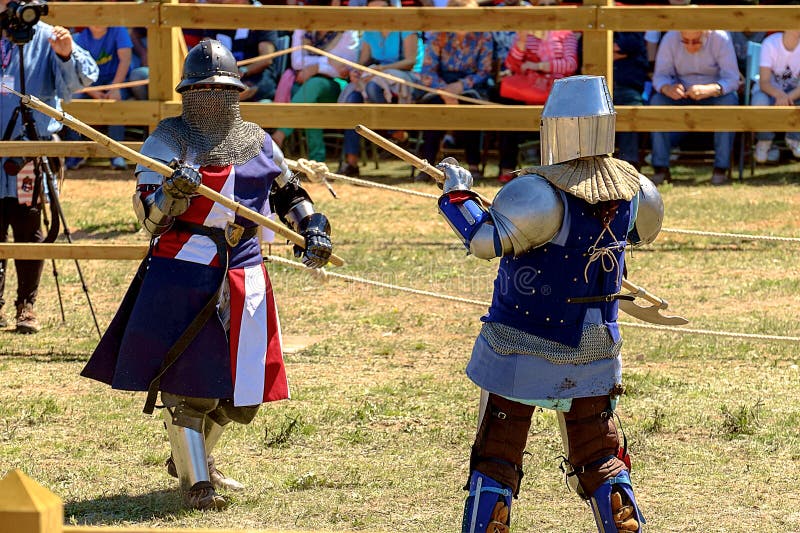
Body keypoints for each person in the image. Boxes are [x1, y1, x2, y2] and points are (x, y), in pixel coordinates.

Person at [80, 39, 334, 511]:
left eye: (222, 90)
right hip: (184, 270)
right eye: (204, 90)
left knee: (246, 387)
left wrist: (313, 228)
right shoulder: (167, 141)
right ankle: (197, 485)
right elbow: (152, 221)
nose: (214, 98)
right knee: (188, 378)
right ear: (188, 94)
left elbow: (290, 195)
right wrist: (174, 192)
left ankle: (193, 459)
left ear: (235, 92)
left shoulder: (256, 140)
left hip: (246, 274)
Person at [435, 76, 663, 533]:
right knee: (598, 451)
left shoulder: (537, 192)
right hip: (597, 339)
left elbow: (484, 242)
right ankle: (620, 518)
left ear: (553, 126)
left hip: (524, 339)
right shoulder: (638, 191)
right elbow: (637, 235)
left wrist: (457, 195)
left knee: (498, 451)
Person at [0, 0, 98, 332]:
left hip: (30, 150)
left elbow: (80, 80)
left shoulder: (46, 36)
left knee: (29, 227)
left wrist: (66, 53)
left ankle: (26, 305)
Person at [336, 0, 424, 177]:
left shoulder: (406, 27)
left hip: (407, 78)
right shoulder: (370, 32)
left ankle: (393, 131)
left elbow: (410, 61)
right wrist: (355, 72)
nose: (378, 15)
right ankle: (351, 163)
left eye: (382, 10)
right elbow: (363, 63)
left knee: (374, 87)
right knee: (353, 97)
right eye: (372, 11)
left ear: (391, 9)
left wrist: (381, 70)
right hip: (377, 78)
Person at [496, 2, 579, 182]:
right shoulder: (529, 36)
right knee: (508, 111)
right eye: (541, 5)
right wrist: (522, 41)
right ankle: (507, 166)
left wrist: (538, 66)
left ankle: (559, 169)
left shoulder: (566, 34)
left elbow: (570, 64)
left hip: (557, 89)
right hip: (529, 89)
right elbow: (512, 65)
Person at [648, 30, 740, 186]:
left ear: (707, 33)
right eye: (685, 41)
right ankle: (660, 167)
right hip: (680, 94)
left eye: (696, 41)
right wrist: (667, 88)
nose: (690, 46)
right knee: (657, 101)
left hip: (714, 94)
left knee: (729, 102)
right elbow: (659, 76)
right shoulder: (670, 38)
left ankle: (721, 168)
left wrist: (712, 89)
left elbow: (732, 79)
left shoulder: (721, 38)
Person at [417, 0, 493, 180]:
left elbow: (484, 71)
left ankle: (473, 164)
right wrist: (444, 90)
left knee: (470, 107)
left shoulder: (484, 36)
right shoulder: (438, 36)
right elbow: (427, 70)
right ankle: (426, 167)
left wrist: (460, 86)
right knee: (433, 106)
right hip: (442, 84)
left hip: (471, 85)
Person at [270, 28, 359, 163]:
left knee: (313, 85)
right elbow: (297, 63)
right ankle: (316, 161)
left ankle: (280, 135)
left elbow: (344, 68)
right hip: (305, 86)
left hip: (337, 87)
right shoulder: (303, 30)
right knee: (310, 97)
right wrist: (327, 62)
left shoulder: (346, 31)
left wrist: (316, 68)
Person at [65, 25, 133, 170]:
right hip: (90, 82)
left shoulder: (119, 30)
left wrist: (115, 87)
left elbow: (125, 60)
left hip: (116, 79)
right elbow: (77, 69)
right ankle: (75, 154)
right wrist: (92, 91)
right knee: (73, 99)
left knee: (116, 101)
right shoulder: (81, 37)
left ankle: (117, 154)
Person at [751, 30, 800, 163]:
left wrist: (787, 97)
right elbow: (764, 82)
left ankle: (795, 138)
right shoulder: (770, 43)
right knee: (759, 101)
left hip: (792, 92)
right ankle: (764, 141)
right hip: (768, 91)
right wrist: (779, 95)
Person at [613, 31, 649, 170]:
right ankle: (592, 163)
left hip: (628, 87)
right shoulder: (592, 26)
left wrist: (608, 52)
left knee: (631, 109)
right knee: (588, 110)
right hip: (597, 89)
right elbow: (583, 49)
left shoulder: (632, 32)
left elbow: (632, 45)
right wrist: (619, 52)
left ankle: (629, 164)